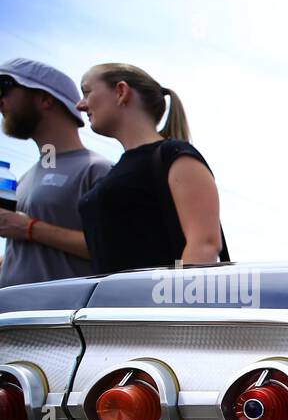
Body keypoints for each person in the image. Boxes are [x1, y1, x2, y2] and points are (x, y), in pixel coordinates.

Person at [75, 62, 228, 274]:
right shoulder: (116, 172)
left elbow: (204, 246)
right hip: (111, 305)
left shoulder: (174, 157)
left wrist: (166, 305)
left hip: (151, 305)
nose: (80, 105)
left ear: (121, 91)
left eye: (87, 92)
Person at [0, 58, 112, 287]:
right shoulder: (24, 178)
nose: (1, 101)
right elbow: (32, 258)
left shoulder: (97, 170)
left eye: (4, 87)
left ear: (45, 99)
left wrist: (30, 228)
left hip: (59, 318)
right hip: (14, 318)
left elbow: (117, 251)